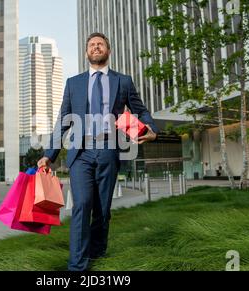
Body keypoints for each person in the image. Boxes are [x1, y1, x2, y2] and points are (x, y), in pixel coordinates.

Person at [37, 32, 159, 271]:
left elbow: (140, 110)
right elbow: (63, 120)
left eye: (100, 44)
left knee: (102, 210)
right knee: (82, 204)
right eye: (91, 45)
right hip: (81, 152)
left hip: (108, 149)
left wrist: (152, 128)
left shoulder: (123, 81)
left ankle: (97, 255)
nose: (95, 47)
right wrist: (48, 154)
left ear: (108, 51)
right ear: (86, 53)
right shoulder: (74, 83)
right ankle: (77, 267)